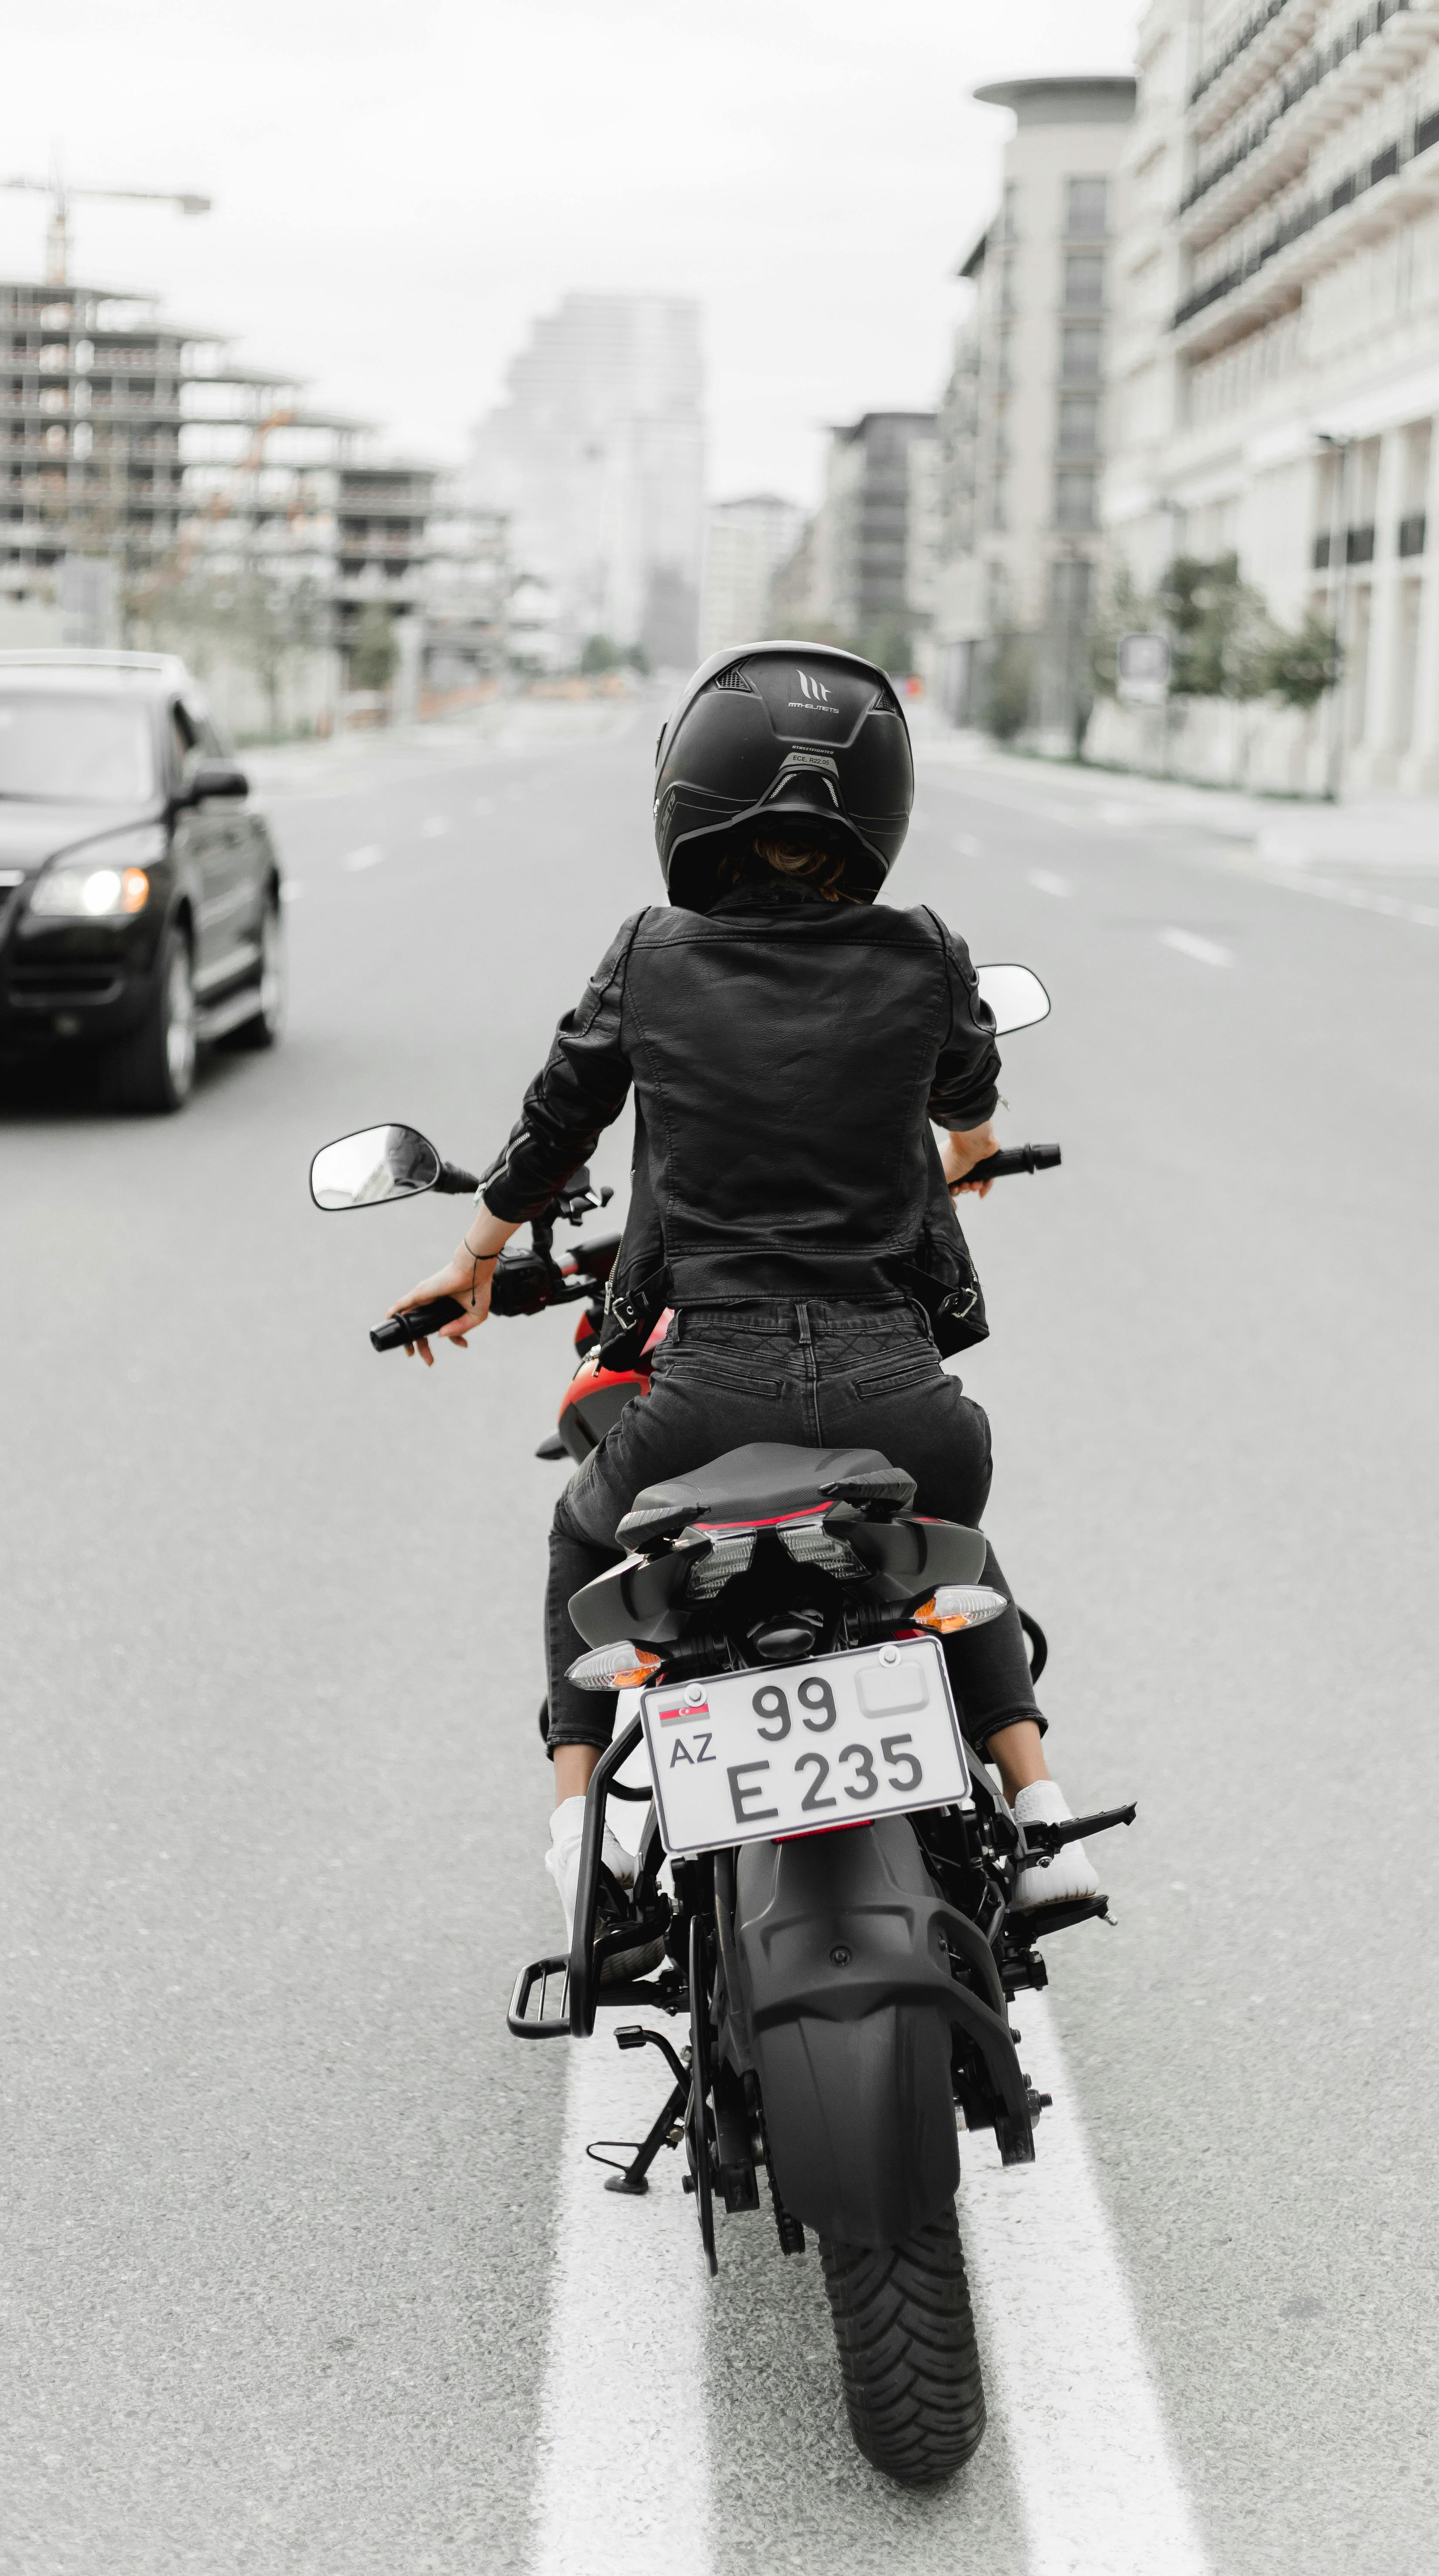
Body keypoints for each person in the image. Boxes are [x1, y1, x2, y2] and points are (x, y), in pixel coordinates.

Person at [388, 640, 1100, 1949]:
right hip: (908, 1398)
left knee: (577, 1537)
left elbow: (556, 1127)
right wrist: (971, 1152)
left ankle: (581, 1839)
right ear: (878, 809)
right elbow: (970, 1089)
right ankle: (1042, 1813)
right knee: (950, 1544)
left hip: (702, 1395)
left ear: (689, 796)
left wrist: (477, 1257)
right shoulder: (929, 948)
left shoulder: (653, 952)